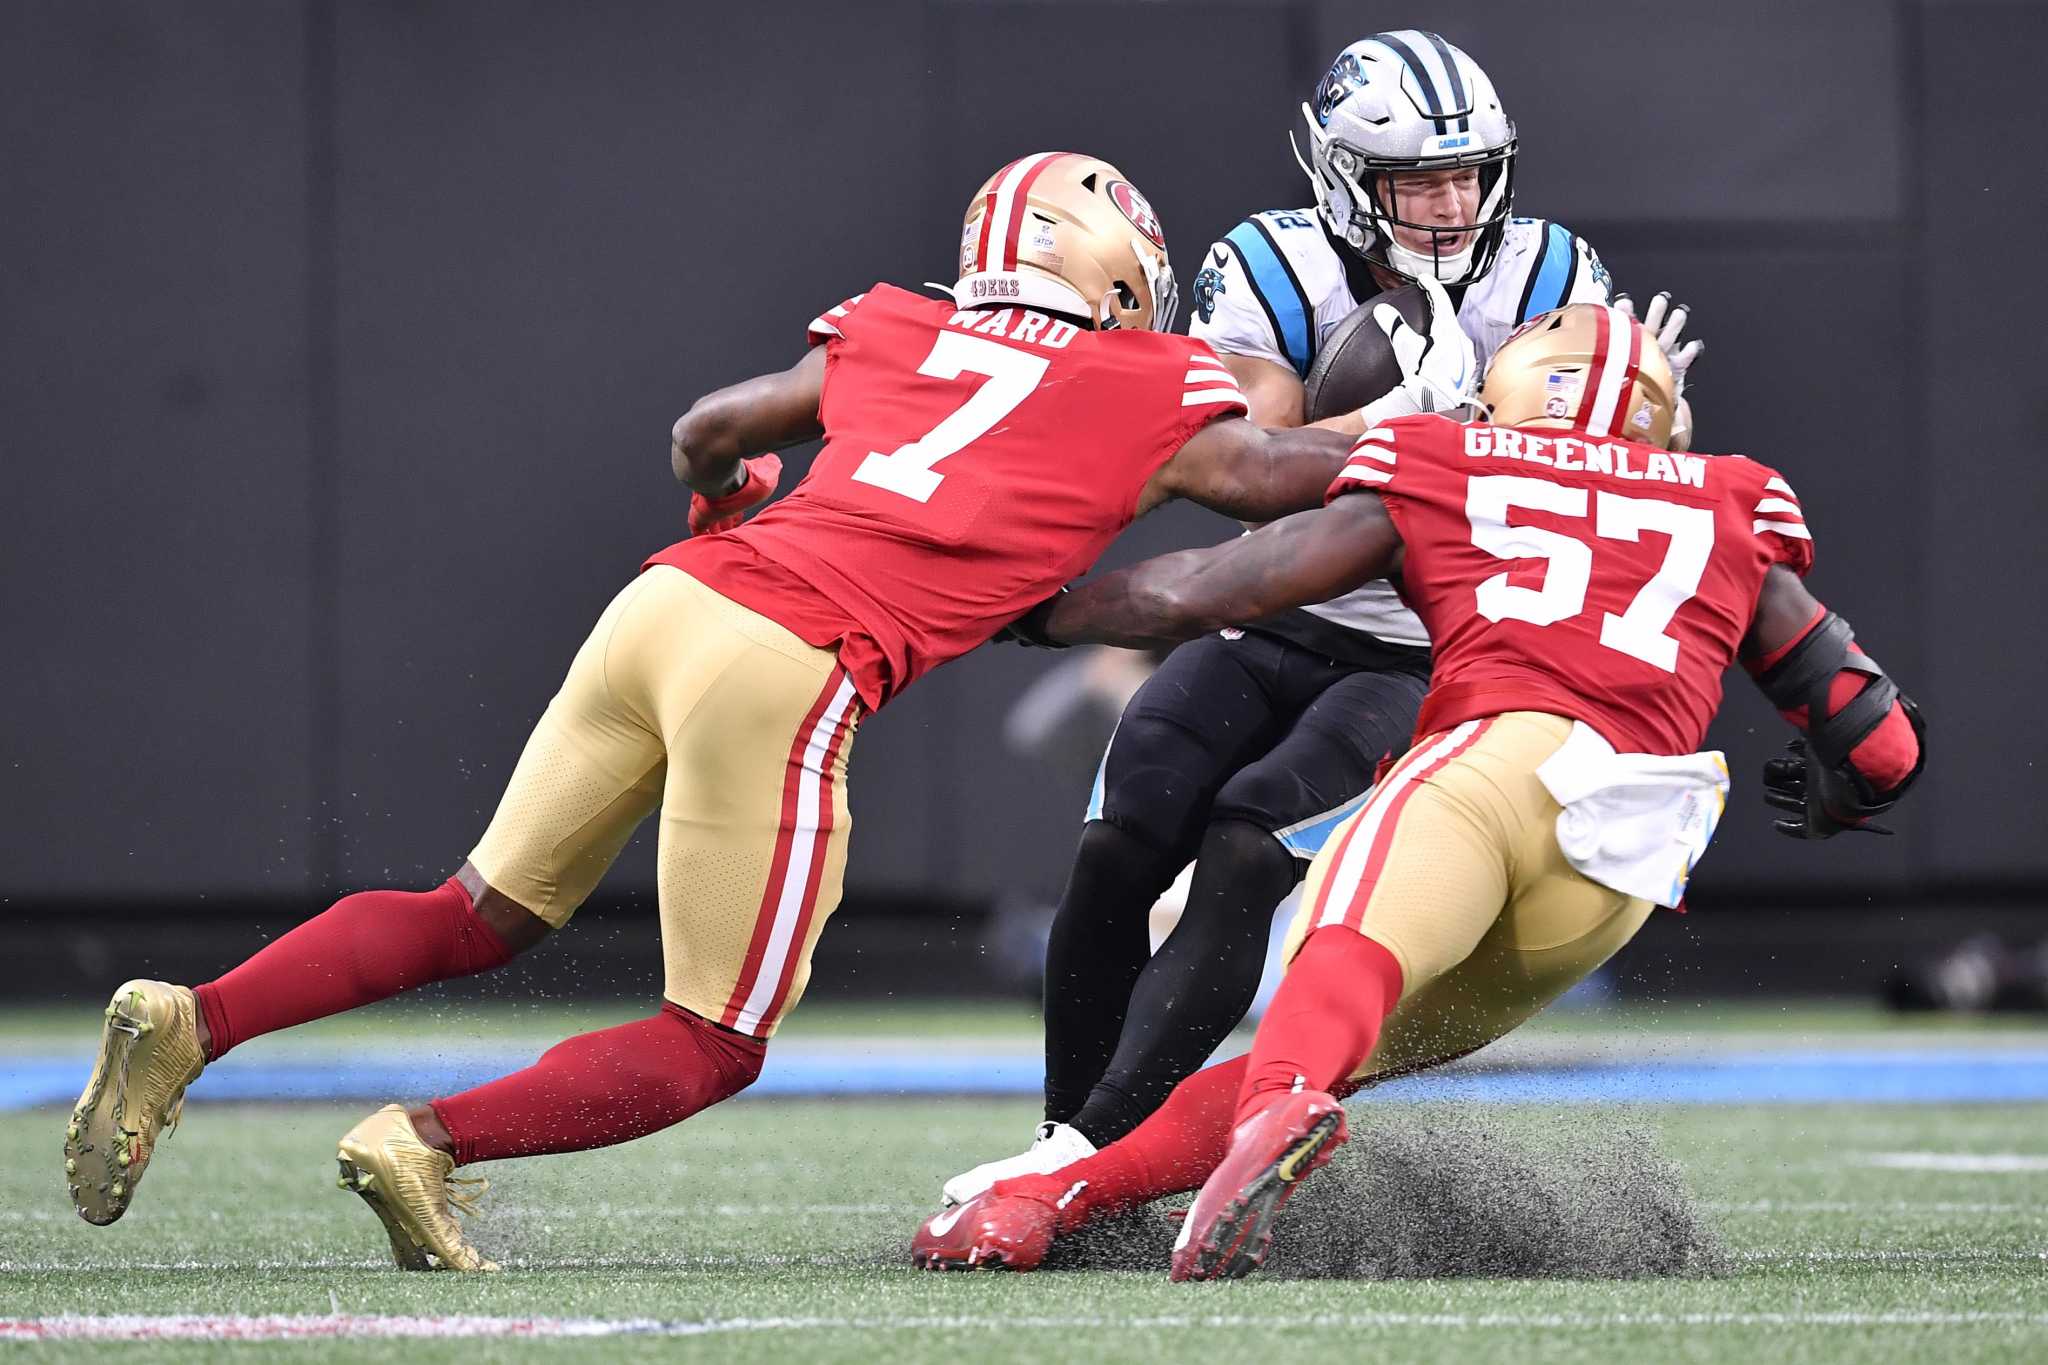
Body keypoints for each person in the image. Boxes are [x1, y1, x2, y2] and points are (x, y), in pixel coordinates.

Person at [62, 152, 1367, 1272]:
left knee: (472, 913)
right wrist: (1435, 440)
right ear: (1124, 276)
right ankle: (426, 1140)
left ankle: (195, 1017)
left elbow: (710, 426)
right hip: (790, 664)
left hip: (666, 604)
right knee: (711, 1041)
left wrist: (722, 496)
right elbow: (1264, 483)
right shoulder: (1151, 380)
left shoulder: (897, 324)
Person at [913, 301, 1925, 1277]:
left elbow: (1215, 589)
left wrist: (1033, 615)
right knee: (1332, 1052)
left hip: (1487, 770)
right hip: (1626, 851)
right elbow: (1878, 746)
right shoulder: (1726, 499)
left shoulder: (1454, 457)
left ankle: (1269, 1113)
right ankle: (1052, 1199)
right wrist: (1838, 794)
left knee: (1316, 1010)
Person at [944, 28, 1701, 1208]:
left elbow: (1592, 484)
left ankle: (1089, 1161)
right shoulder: (1271, 263)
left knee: (1247, 847)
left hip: (1421, 647)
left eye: (1468, 175)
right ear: (1344, 175)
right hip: (1276, 610)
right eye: (1415, 182)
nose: (1451, 206)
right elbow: (1243, 461)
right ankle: (1065, 1143)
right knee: (1120, 837)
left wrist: (1641, 420)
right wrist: (1420, 419)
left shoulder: (1556, 273)